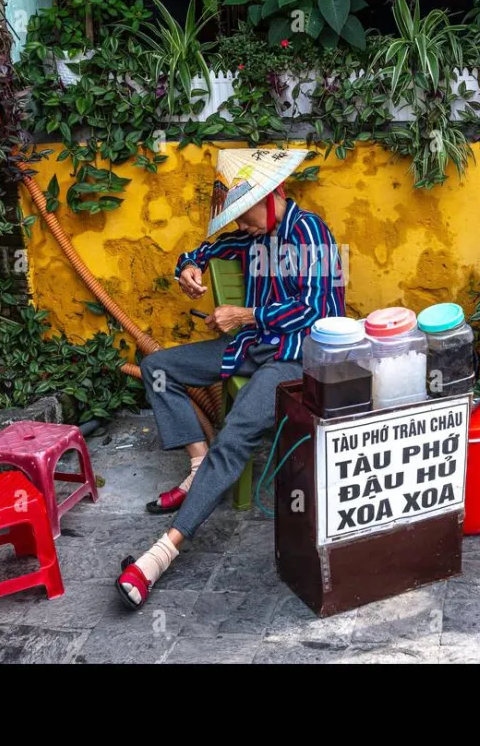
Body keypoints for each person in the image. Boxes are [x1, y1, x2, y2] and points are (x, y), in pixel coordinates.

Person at [115, 148, 345, 609]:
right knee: (159, 368)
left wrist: (246, 314)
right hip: (252, 346)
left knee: (236, 431)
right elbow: (203, 248)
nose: (240, 226)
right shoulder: (251, 234)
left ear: (272, 194)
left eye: (244, 215)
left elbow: (320, 309)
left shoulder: (311, 232)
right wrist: (188, 268)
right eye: (235, 218)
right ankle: (200, 468)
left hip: (294, 357)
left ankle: (160, 554)